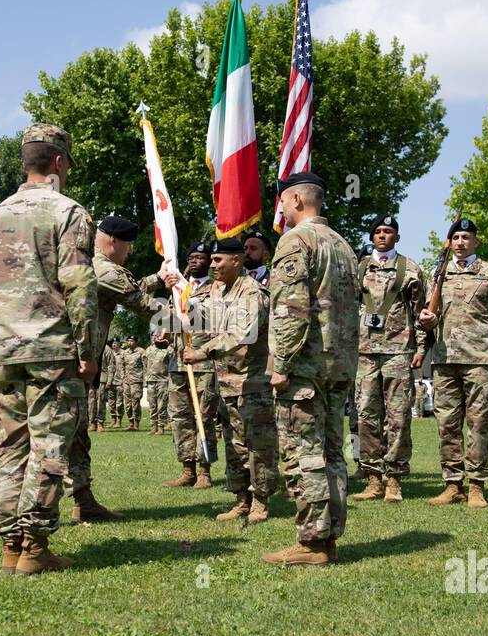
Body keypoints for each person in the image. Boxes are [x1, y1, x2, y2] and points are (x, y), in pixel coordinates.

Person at [0, 123, 98, 575]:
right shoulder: (68, 212)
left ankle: (11, 545)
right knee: (48, 448)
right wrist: (86, 349)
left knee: (11, 446)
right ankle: (35, 547)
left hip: (4, 351)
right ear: (60, 162)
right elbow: (80, 286)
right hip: (51, 351)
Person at [262, 172, 359, 566]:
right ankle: (330, 535)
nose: (281, 210)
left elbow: (291, 308)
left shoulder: (296, 240)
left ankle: (312, 542)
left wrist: (281, 363)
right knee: (333, 451)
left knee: (304, 453)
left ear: (298, 200)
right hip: (338, 365)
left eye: (283, 202)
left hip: (304, 364)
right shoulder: (345, 245)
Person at [66, 214, 176, 524]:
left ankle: (83, 501)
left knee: (76, 434)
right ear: (113, 241)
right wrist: (195, 318)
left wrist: (157, 279)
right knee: (64, 435)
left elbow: (126, 288)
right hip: (73, 366)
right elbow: (143, 304)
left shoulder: (89, 263)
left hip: (72, 363)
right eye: (128, 246)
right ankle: (41, 512)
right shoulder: (103, 270)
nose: (129, 252)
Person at [418, 217, 488, 508]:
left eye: (466, 237)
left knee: (478, 424)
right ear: (449, 244)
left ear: (475, 242)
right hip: (444, 359)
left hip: (479, 360)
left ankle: (476, 485)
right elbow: (428, 315)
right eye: (456, 238)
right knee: (447, 425)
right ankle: (453, 485)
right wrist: (425, 322)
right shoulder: (438, 275)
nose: (460, 243)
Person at [180, 237, 279, 526]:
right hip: (224, 381)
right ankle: (241, 499)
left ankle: (261, 500)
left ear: (236, 260)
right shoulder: (215, 292)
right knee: (234, 444)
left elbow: (242, 333)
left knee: (257, 443)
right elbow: (197, 320)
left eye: (217, 260)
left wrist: (202, 352)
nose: (212, 265)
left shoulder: (252, 293)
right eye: (211, 260)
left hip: (251, 381)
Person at [353, 215, 426, 504]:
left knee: (398, 417)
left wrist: (421, 348)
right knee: (366, 416)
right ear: (372, 237)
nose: (383, 236)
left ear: (397, 237)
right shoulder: (358, 269)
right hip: (365, 351)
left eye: (389, 232)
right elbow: (348, 308)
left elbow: (422, 313)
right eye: (379, 232)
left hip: (398, 350)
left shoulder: (409, 268)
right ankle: (373, 478)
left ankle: (394, 479)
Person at [164, 241, 220, 489]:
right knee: (180, 416)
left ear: (209, 261)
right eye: (191, 257)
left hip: (203, 361)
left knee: (203, 415)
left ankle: (205, 471)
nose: (195, 260)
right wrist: (163, 334)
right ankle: (187, 469)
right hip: (178, 361)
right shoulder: (177, 289)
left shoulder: (217, 288)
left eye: (200, 257)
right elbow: (168, 318)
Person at [144, 333, 172, 435]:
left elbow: (171, 364)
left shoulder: (167, 350)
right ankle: (153, 426)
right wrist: (145, 380)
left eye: (157, 336)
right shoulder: (148, 350)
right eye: (153, 336)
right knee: (152, 404)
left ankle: (161, 427)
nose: (155, 337)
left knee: (162, 405)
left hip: (163, 380)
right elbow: (145, 365)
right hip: (151, 380)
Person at [120, 335, 145, 431]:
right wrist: (123, 378)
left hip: (137, 381)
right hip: (126, 381)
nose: (130, 343)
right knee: (127, 403)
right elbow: (122, 366)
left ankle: (136, 423)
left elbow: (145, 366)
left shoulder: (141, 352)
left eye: (132, 341)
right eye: (128, 341)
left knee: (135, 401)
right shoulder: (125, 353)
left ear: (136, 342)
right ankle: (130, 422)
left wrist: (144, 380)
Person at [106, 339, 124, 428]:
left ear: (119, 344)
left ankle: (119, 421)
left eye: (116, 343)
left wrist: (124, 380)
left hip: (119, 381)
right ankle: (113, 420)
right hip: (110, 381)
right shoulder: (109, 353)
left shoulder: (123, 354)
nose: (114, 345)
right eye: (113, 343)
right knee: (111, 402)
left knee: (119, 402)